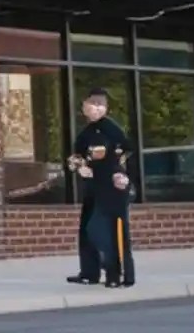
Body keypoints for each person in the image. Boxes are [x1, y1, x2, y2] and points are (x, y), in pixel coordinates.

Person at [65, 87, 135, 288]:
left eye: (100, 104)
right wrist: (79, 166)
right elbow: (76, 157)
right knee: (86, 231)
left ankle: (116, 274)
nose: (96, 108)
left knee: (105, 231)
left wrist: (121, 173)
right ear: (84, 106)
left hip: (111, 188)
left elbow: (126, 151)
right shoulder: (85, 133)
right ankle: (89, 273)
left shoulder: (111, 129)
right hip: (93, 187)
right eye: (92, 103)